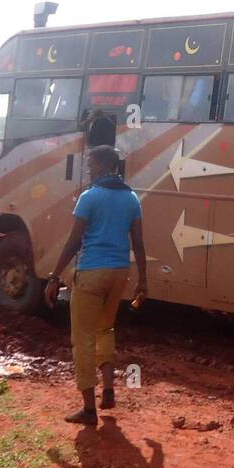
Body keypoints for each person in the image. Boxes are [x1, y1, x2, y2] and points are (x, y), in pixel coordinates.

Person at [44, 144, 147, 426]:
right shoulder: (132, 199)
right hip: (120, 273)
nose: (89, 170)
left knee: (83, 338)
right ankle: (109, 390)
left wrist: (54, 277)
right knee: (106, 328)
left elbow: (74, 241)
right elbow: (138, 242)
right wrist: (143, 281)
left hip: (91, 272)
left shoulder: (89, 197)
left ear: (102, 165)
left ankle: (89, 410)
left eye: (91, 165)